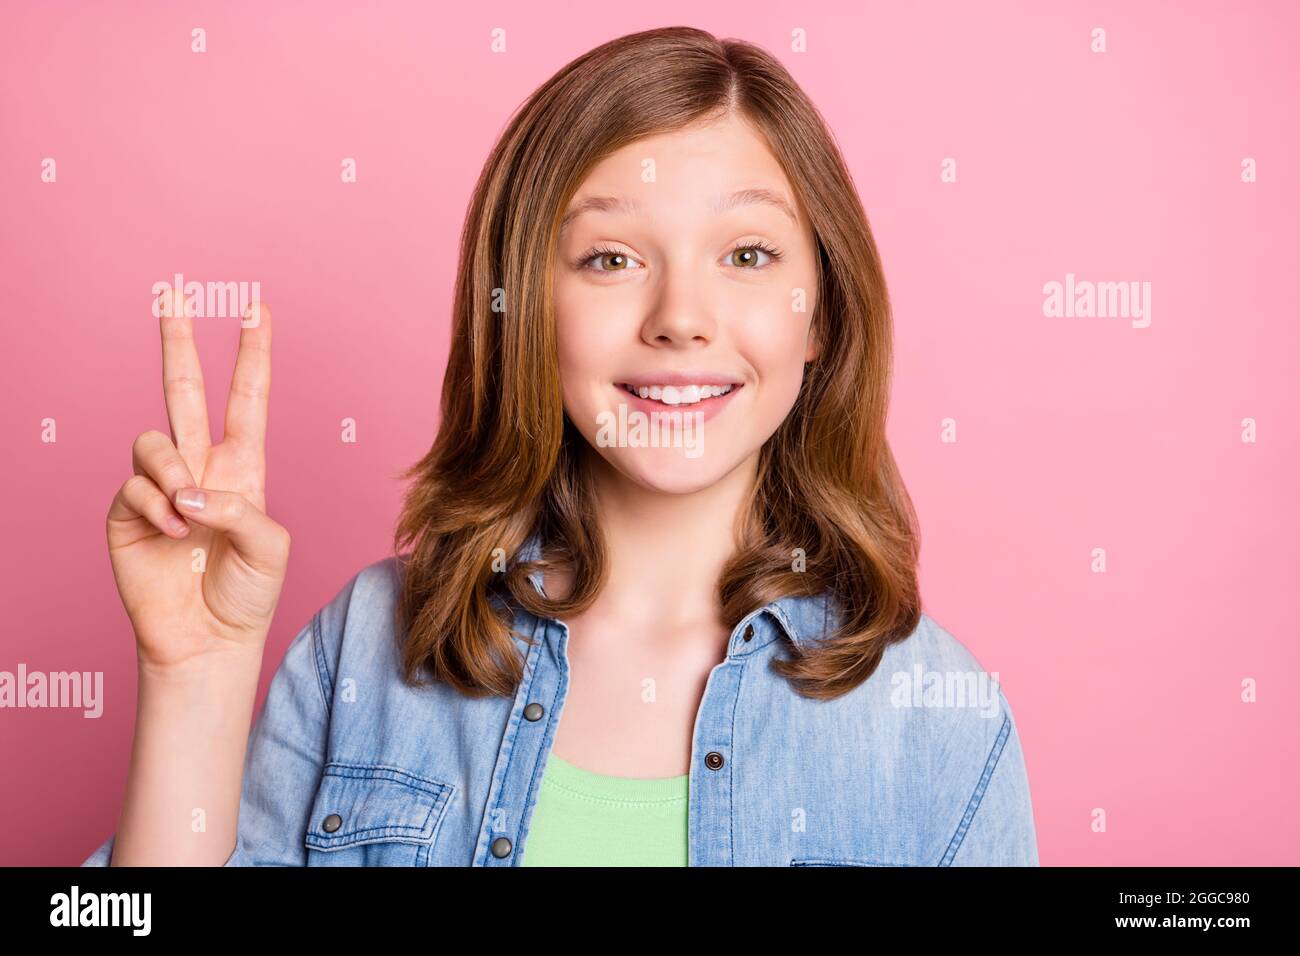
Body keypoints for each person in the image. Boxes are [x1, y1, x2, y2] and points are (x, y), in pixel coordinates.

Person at [82, 26, 1038, 867]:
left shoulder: (938, 724)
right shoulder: (364, 653)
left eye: (747, 255)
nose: (681, 320)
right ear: (525, 309)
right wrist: (193, 677)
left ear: (819, 313)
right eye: (611, 258)